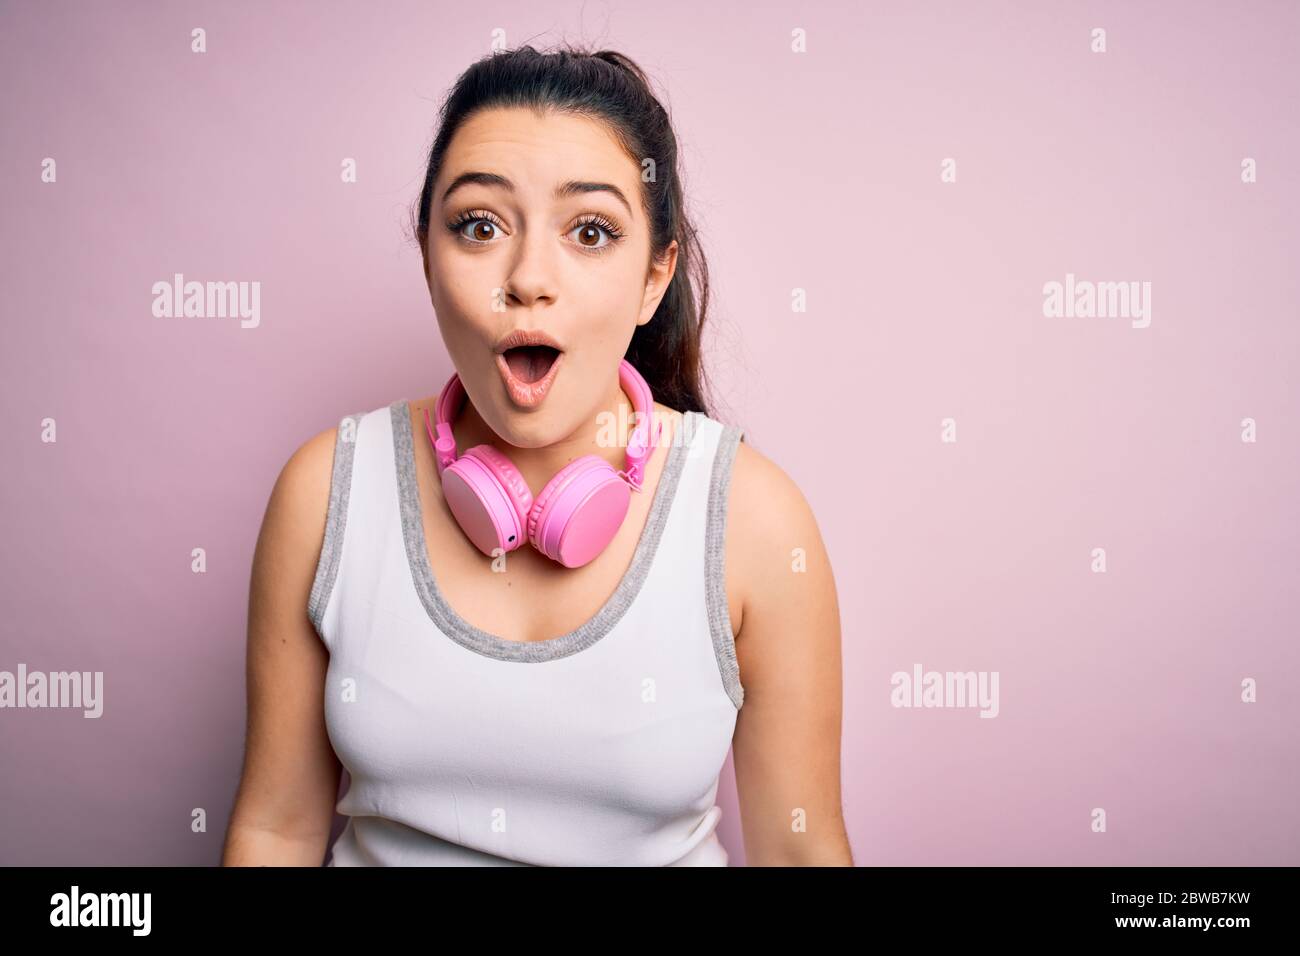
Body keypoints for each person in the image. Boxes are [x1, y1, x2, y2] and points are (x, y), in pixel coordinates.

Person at [222, 44, 851, 866]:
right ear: (427, 256)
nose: (527, 279)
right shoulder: (324, 490)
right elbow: (275, 831)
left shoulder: (757, 523)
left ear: (655, 277)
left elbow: (799, 852)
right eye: (479, 226)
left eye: (590, 231)